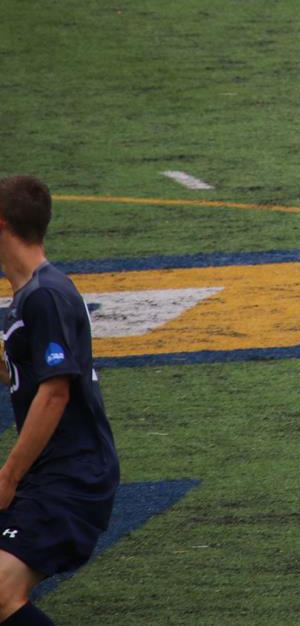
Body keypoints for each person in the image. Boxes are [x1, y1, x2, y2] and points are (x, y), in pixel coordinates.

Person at [0, 176, 118, 626]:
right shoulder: (31, 293)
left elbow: (54, 393)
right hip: (51, 471)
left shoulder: (45, 295)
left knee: (2, 591)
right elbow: (29, 376)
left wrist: (9, 476)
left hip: (71, 474)